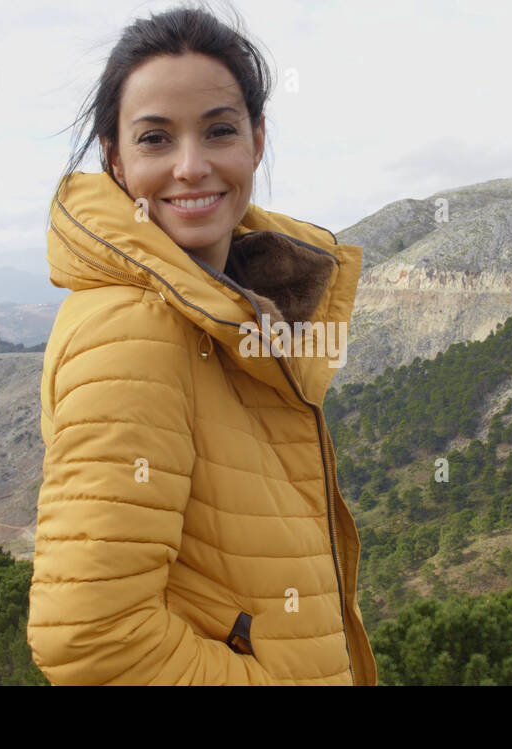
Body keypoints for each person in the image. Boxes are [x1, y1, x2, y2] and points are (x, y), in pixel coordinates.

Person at [27, 2, 377, 685]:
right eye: (155, 139)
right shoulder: (138, 326)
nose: (191, 166)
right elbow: (92, 637)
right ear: (114, 158)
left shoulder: (228, 308)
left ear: (257, 140)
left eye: (218, 130)